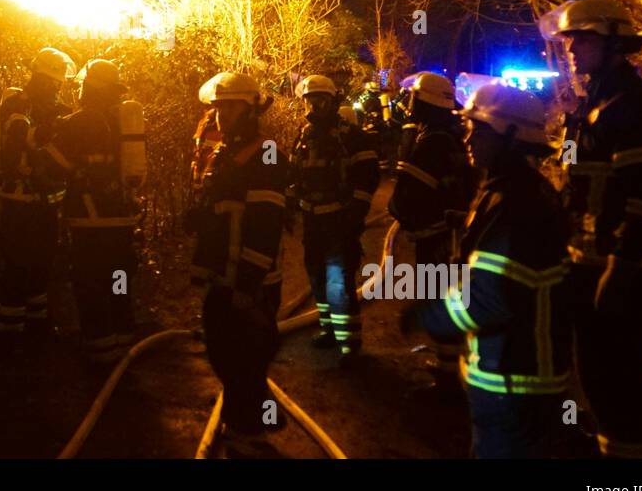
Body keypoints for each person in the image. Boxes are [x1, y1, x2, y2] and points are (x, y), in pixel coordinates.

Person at [541, 0, 642, 459]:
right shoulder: (592, 104)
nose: (572, 48)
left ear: (615, 42)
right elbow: (577, 185)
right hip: (588, 261)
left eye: (583, 38)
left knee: (622, 378)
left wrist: (620, 269)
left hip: (626, 268)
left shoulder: (638, 105)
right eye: (569, 40)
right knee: (598, 376)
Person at [403, 84, 572, 457]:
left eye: (477, 130)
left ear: (510, 136)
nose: (467, 139)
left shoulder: (516, 205)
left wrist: (427, 315)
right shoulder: (516, 191)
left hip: (514, 383)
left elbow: (489, 299)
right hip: (520, 378)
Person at [187, 72, 288, 457]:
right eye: (217, 107)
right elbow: (224, 208)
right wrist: (201, 218)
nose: (219, 115)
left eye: (228, 107)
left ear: (250, 109)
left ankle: (250, 437)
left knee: (245, 359)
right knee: (226, 354)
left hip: (249, 282)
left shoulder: (265, 154)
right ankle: (250, 418)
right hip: (224, 277)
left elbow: (264, 226)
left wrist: (248, 285)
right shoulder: (227, 151)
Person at [38, 59, 145, 364]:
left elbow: (53, 166)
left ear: (88, 87)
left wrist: (43, 140)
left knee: (91, 283)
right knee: (118, 277)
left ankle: (101, 353)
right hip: (122, 218)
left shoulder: (78, 121)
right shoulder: (122, 118)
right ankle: (124, 341)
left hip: (90, 220)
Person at [388, 71, 477, 381]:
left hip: (435, 235)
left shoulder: (431, 142)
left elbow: (409, 191)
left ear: (423, 102)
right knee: (447, 294)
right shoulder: (450, 135)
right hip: (447, 233)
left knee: (439, 297)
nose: (407, 104)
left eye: (412, 98)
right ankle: (449, 365)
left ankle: (448, 377)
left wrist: (402, 214)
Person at [287, 74, 380, 359]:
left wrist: (355, 213)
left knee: (339, 281)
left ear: (333, 101)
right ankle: (328, 329)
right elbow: (293, 173)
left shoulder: (351, 137)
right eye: (310, 100)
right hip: (313, 220)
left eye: (321, 100)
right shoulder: (303, 136)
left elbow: (367, 177)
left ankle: (349, 343)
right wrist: (289, 202)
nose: (315, 106)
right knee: (316, 275)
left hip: (340, 221)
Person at [0, 48, 74, 343]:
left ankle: (36, 332)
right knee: (16, 268)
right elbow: (14, 150)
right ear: (43, 79)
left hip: (45, 205)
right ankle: (10, 338)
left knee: (41, 266)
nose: (57, 89)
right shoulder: (19, 104)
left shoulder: (52, 108)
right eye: (55, 83)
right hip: (20, 203)